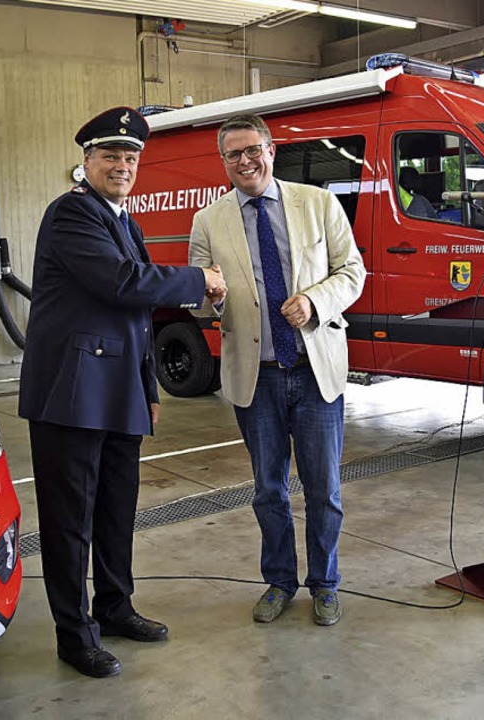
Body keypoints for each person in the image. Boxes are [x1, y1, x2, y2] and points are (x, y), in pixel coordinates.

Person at [19, 106, 227, 678]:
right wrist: (198, 279)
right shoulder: (71, 215)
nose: (122, 165)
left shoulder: (124, 220)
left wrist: (147, 387)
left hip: (117, 392)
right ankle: (74, 634)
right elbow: (122, 283)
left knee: (115, 509)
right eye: (110, 155)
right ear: (85, 162)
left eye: (131, 157)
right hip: (71, 394)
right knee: (70, 519)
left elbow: (134, 319)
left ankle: (113, 608)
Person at [188, 113, 365, 627]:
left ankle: (325, 584)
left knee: (324, 489)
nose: (245, 161)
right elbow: (201, 298)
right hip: (255, 372)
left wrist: (314, 301)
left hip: (314, 370)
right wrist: (211, 297)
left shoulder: (317, 203)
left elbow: (352, 271)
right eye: (233, 154)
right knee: (268, 488)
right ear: (223, 163)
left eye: (253, 150)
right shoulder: (209, 220)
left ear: (271, 149)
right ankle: (280, 581)